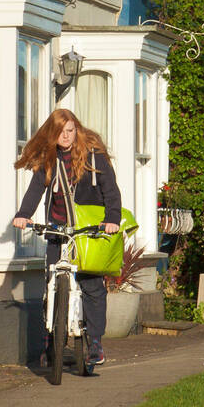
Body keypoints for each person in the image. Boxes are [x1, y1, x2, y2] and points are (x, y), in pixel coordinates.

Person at [12, 109, 121, 367]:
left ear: (77, 130)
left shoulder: (94, 156)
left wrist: (112, 220)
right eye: (61, 132)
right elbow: (36, 189)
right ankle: (52, 340)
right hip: (59, 229)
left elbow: (111, 191)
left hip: (88, 229)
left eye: (70, 131)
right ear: (53, 133)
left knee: (92, 286)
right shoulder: (49, 159)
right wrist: (23, 214)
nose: (66, 136)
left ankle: (95, 343)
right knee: (51, 283)